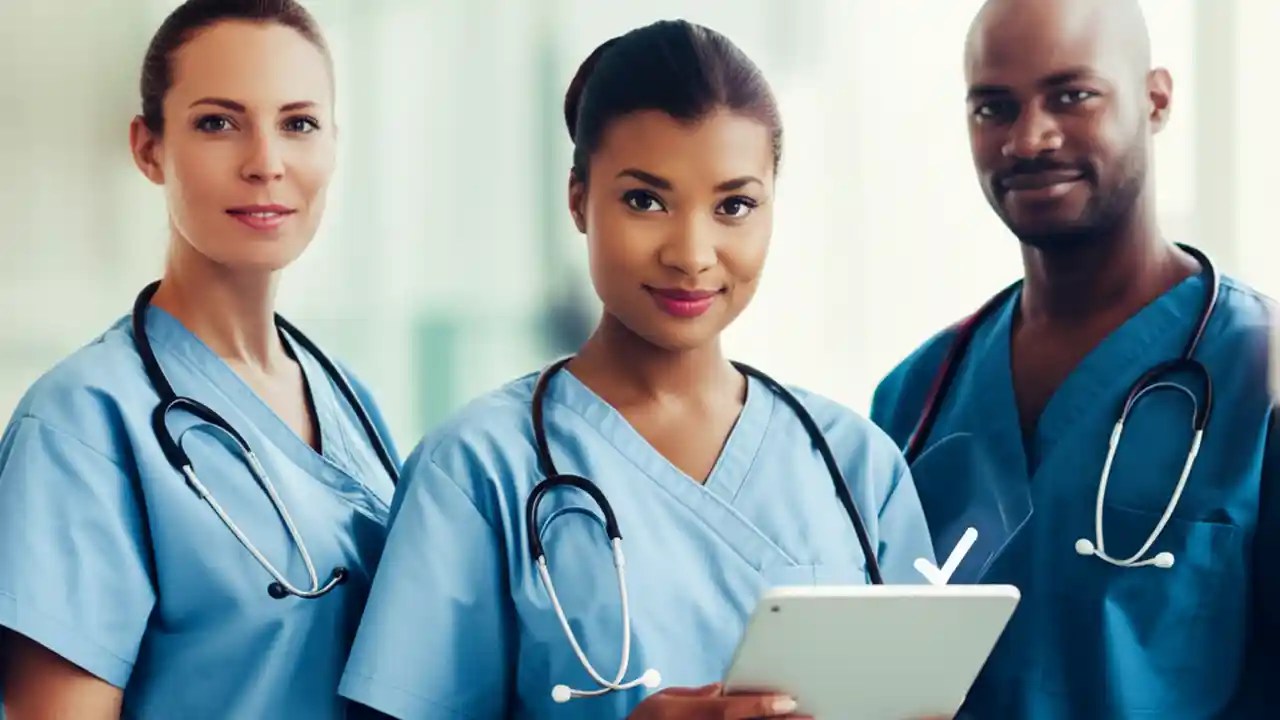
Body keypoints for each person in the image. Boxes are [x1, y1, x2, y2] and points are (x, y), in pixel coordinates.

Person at [337, 19, 935, 720]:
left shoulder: (855, 464)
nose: (692, 253)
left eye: (735, 206)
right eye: (645, 201)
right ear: (578, 200)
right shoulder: (478, 469)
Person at [869, 0, 1277, 717]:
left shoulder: (1258, 372)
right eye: (993, 108)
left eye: (1072, 96)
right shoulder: (915, 398)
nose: (1028, 139)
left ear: (1155, 100)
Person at [0, 1, 400, 718]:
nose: (266, 163)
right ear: (149, 148)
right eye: (218, 123)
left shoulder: (349, 399)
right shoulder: (81, 425)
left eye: (298, 124)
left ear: (334, 144)